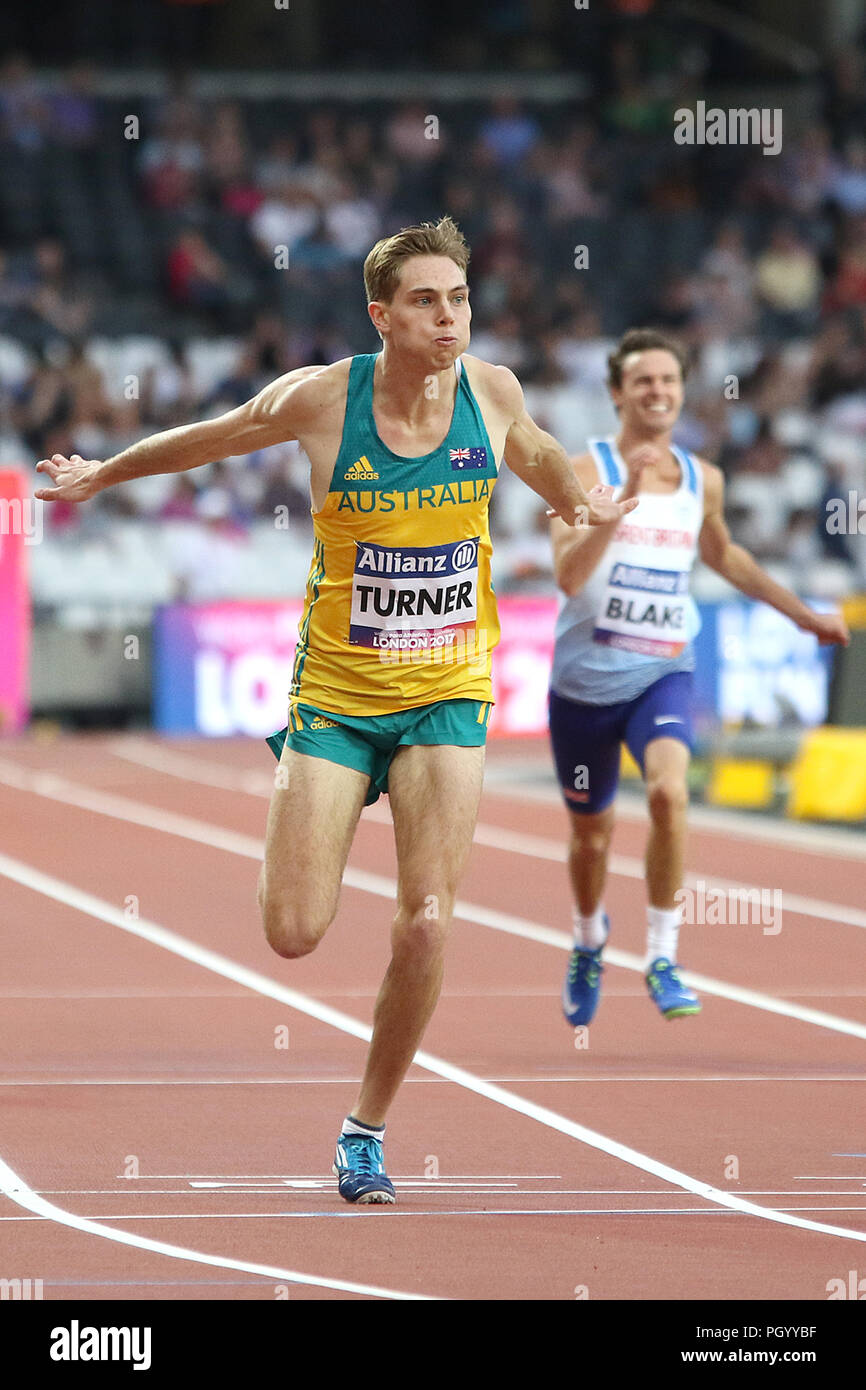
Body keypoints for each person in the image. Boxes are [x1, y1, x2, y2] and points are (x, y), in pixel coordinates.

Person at [35, 216, 637, 1205]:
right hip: (339, 698)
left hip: (448, 690)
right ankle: (323, 793)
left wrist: (579, 503)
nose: (450, 318)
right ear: (381, 316)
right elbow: (213, 436)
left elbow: (530, 449)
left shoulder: (490, 390)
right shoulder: (323, 400)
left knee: (426, 922)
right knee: (292, 929)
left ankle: (365, 1128)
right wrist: (103, 473)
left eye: (459, 299)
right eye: (426, 303)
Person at [549, 327, 850, 1028]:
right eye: (644, 381)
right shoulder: (578, 469)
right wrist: (615, 501)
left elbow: (726, 556)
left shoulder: (701, 477)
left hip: (664, 669)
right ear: (617, 393)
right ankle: (590, 936)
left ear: (682, 394)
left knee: (669, 794)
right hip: (585, 686)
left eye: (669, 382)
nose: (657, 392)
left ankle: (662, 954)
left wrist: (804, 615)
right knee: (591, 838)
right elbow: (567, 575)